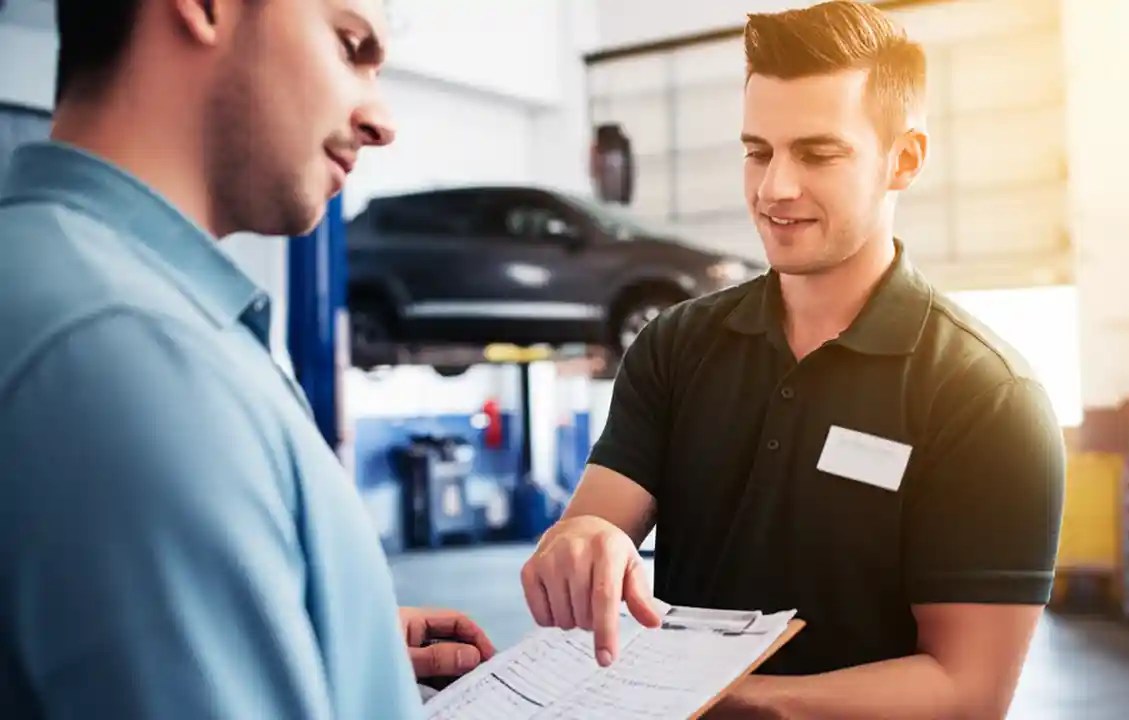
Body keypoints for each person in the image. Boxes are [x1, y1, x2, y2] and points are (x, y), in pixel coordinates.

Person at [520, 2, 1066, 718]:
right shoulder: (675, 346)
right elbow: (595, 527)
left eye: (817, 153)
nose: (774, 187)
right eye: (758, 150)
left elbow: (968, 689)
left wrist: (731, 702)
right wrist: (580, 542)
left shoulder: (987, 398)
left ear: (904, 160)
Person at [0, 1, 494, 717]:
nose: (381, 120)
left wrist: (335, 643)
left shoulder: (72, 286)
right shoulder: (131, 354)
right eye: (350, 45)